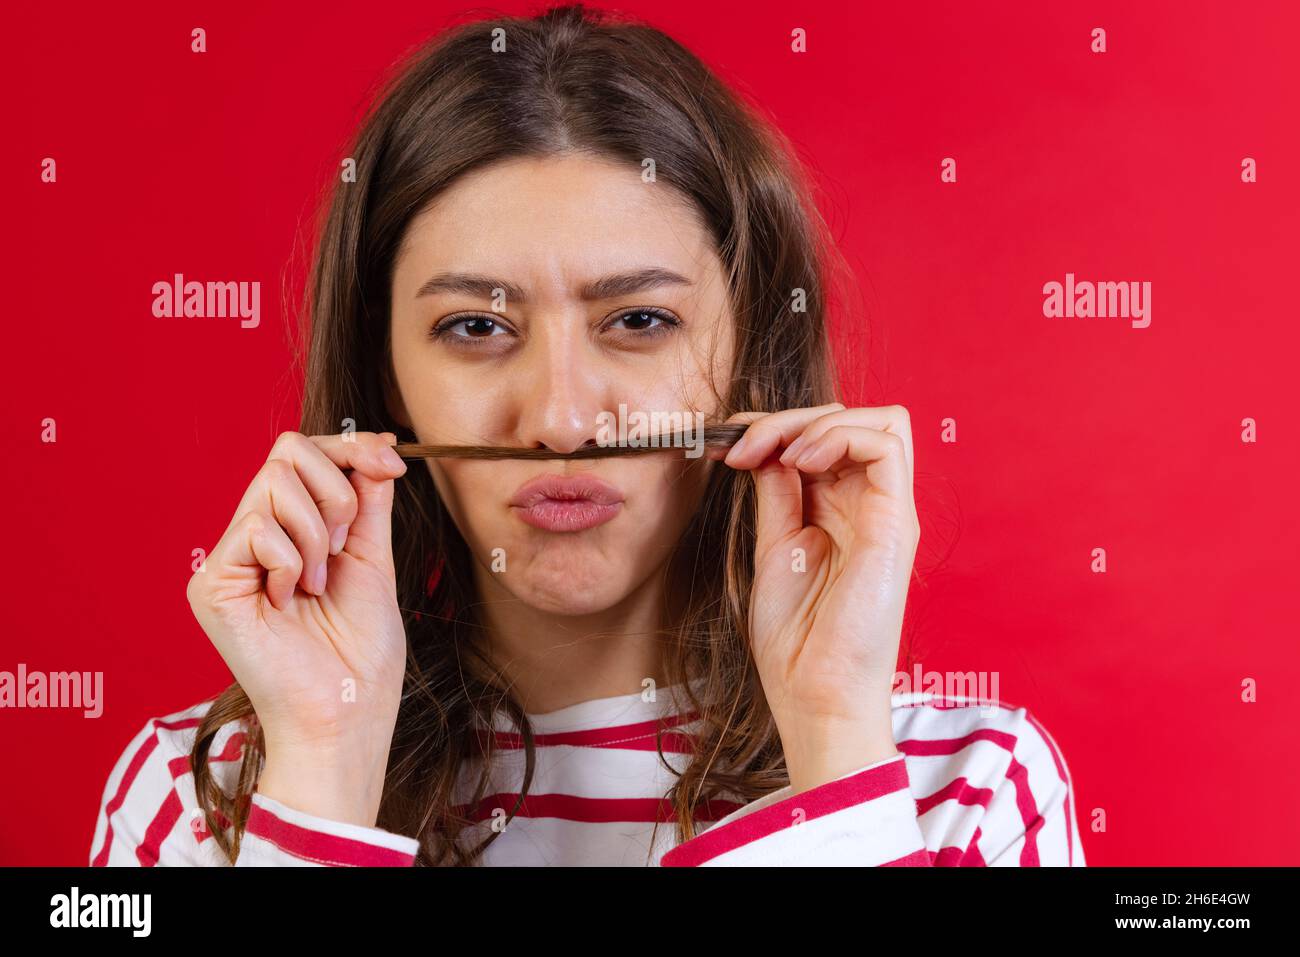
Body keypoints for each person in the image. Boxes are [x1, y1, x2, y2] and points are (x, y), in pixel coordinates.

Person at [90, 3, 1084, 867]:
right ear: (383, 378)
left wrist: (830, 740)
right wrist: (320, 769)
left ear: (749, 356)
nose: (561, 424)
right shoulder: (199, 801)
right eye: (475, 328)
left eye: (639, 321)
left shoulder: (966, 795)